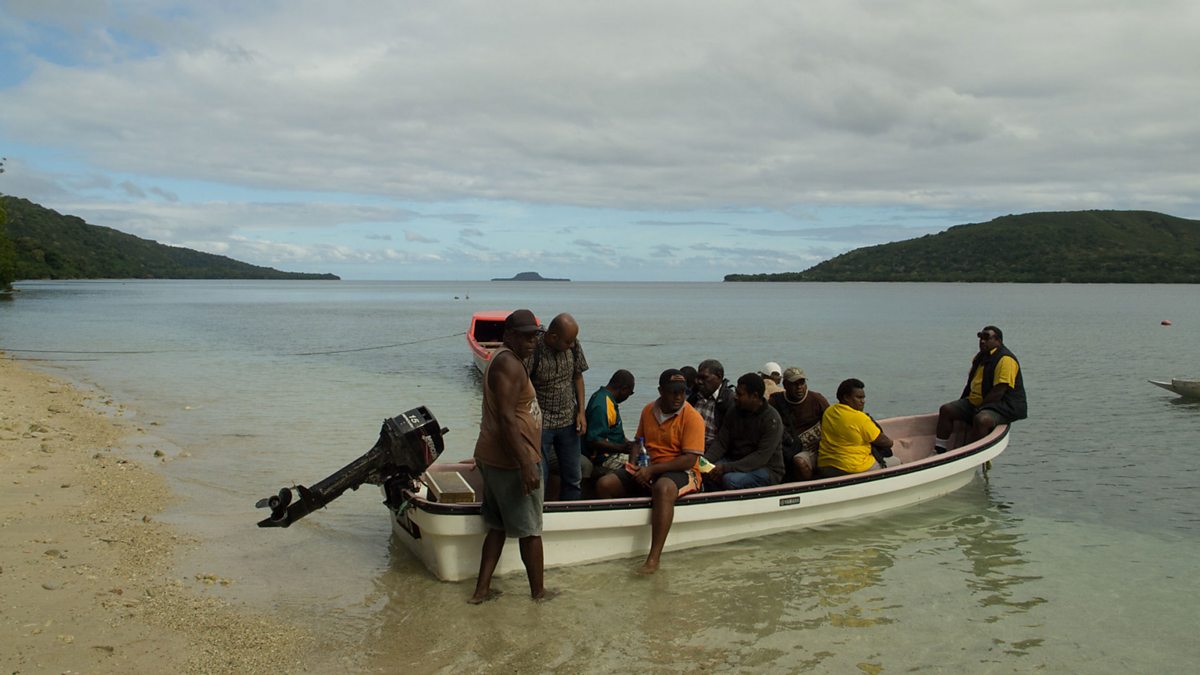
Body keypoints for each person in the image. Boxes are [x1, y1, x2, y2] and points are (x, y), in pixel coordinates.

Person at [469, 309, 551, 604]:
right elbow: (506, 417)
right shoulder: (509, 364)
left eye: (535, 336)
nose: (532, 342)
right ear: (508, 335)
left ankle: (482, 591)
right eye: (525, 336)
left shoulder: (506, 360)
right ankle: (538, 593)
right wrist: (526, 464)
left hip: (495, 456)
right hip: (511, 461)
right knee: (531, 530)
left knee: (498, 526)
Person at [595, 369, 704, 574]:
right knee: (605, 484)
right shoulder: (648, 410)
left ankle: (653, 558)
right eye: (673, 392)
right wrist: (633, 465)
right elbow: (639, 442)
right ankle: (616, 541)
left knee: (663, 488)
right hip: (651, 467)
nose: (678, 397)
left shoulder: (692, 418)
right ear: (661, 391)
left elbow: (689, 460)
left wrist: (652, 470)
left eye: (682, 392)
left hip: (682, 470)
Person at [934, 325, 1027, 453]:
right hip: (976, 401)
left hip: (1003, 406)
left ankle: (972, 452)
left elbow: (999, 390)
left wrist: (980, 408)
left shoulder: (1006, 360)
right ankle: (939, 449)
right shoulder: (980, 357)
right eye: (981, 338)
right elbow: (970, 384)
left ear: (998, 341)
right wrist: (964, 401)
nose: (982, 341)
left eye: (987, 338)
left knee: (981, 419)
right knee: (946, 410)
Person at [526, 313, 589, 500]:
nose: (572, 344)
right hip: (541, 423)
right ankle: (539, 514)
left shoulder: (573, 346)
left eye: (573, 341)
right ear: (553, 337)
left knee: (573, 477)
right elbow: (522, 385)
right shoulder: (534, 351)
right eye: (568, 341)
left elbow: (578, 377)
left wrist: (581, 412)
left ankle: (571, 512)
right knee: (540, 477)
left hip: (568, 421)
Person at [704, 373, 785, 490]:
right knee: (706, 471)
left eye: (740, 394)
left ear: (754, 396)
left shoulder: (771, 419)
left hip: (766, 468)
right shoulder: (734, 411)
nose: (735, 397)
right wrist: (705, 461)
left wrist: (725, 468)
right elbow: (721, 442)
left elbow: (761, 457)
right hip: (736, 460)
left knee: (730, 480)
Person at [816, 378, 893, 478]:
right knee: (895, 461)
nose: (863, 401)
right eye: (859, 398)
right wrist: (891, 442)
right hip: (853, 468)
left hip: (826, 465)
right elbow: (885, 442)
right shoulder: (860, 418)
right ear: (846, 398)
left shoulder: (829, 411)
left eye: (863, 398)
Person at [769, 367, 830, 481]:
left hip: (813, 447)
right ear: (785, 385)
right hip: (787, 447)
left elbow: (833, 424)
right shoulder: (775, 402)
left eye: (802, 383)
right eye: (794, 384)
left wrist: (821, 442)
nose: (799, 387)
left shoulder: (817, 400)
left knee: (799, 462)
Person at [582, 369, 637, 478]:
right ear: (624, 389)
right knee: (643, 465)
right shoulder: (602, 405)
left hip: (615, 452)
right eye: (630, 393)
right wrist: (622, 448)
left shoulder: (607, 399)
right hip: (605, 458)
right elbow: (594, 440)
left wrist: (628, 443)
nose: (628, 397)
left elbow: (612, 431)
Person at [688, 358, 735, 449]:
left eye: (704, 378)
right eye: (698, 378)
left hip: (714, 450)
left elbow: (728, 438)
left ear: (719, 377)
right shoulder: (694, 397)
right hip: (690, 446)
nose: (699, 382)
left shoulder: (728, 400)